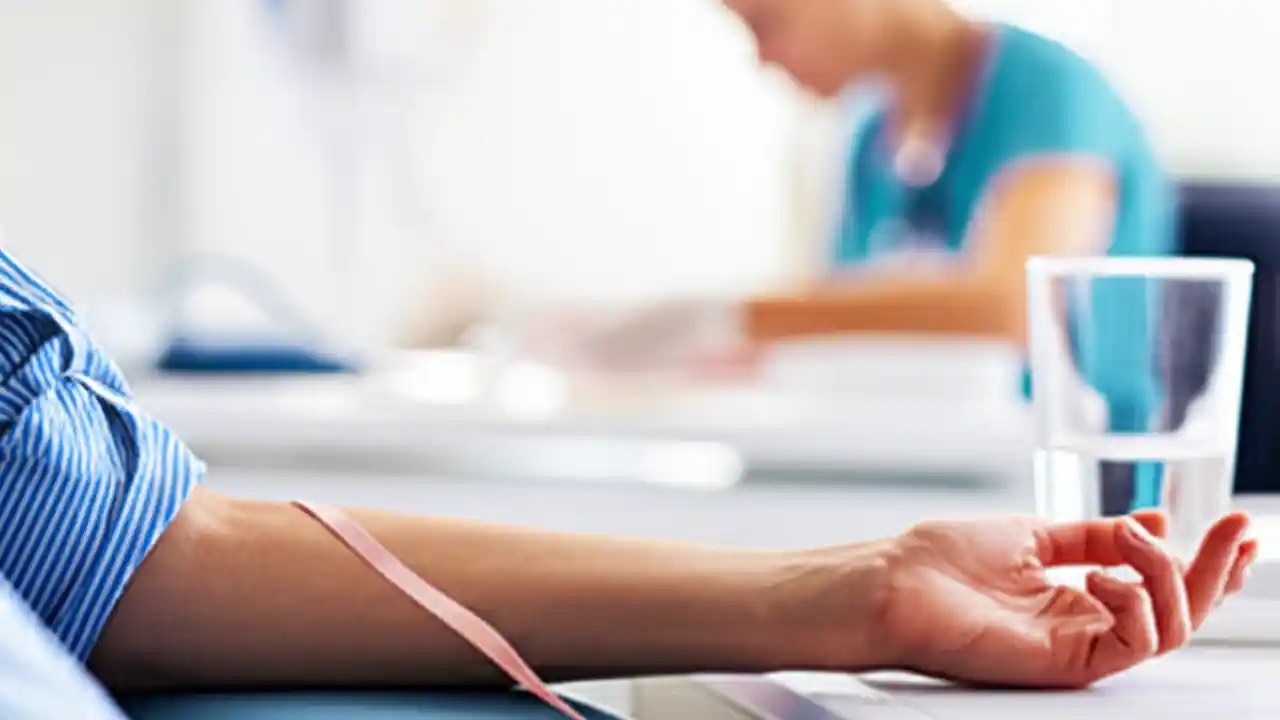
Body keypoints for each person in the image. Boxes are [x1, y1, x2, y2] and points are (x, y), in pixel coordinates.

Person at [0, 245, 1258, 701]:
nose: (752, 39)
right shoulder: (880, 132)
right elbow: (126, 563)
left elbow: (127, 562)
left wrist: (861, 584)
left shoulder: (1038, 89)